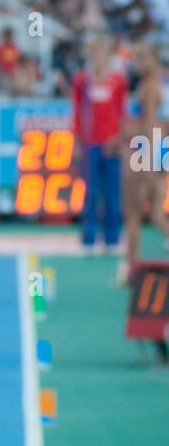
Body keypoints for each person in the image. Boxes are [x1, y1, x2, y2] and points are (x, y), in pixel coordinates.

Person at [71, 36, 128, 252]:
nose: (99, 58)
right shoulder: (82, 81)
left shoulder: (117, 81)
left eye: (102, 53)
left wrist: (119, 138)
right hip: (90, 143)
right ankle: (89, 237)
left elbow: (121, 112)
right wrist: (77, 141)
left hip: (111, 143)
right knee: (91, 192)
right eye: (95, 53)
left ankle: (112, 238)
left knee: (112, 193)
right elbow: (76, 112)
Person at [119, 42, 169, 281]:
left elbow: (148, 123)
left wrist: (145, 159)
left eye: (141, 57)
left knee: (133, 214)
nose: (136, 62)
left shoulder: (149, 86)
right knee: (157, 215)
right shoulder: (160, 84)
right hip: (159, 148)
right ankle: (132, 267)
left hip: (147, 150)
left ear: (153, 60)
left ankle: (133, 269)